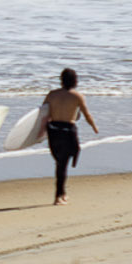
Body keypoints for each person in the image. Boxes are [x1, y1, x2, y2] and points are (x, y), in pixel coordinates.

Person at [41, 68, 99, 205]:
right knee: (65, 161)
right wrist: (94, 127)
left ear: (61, 80)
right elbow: (87, 115)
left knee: (60, 163)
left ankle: (62, 193)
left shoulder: (51, 94)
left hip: (53, 131)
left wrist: (40, 132)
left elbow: (42, 114)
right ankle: (58, 196)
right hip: (68, 131)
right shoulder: (77, 96)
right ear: (75, 81)